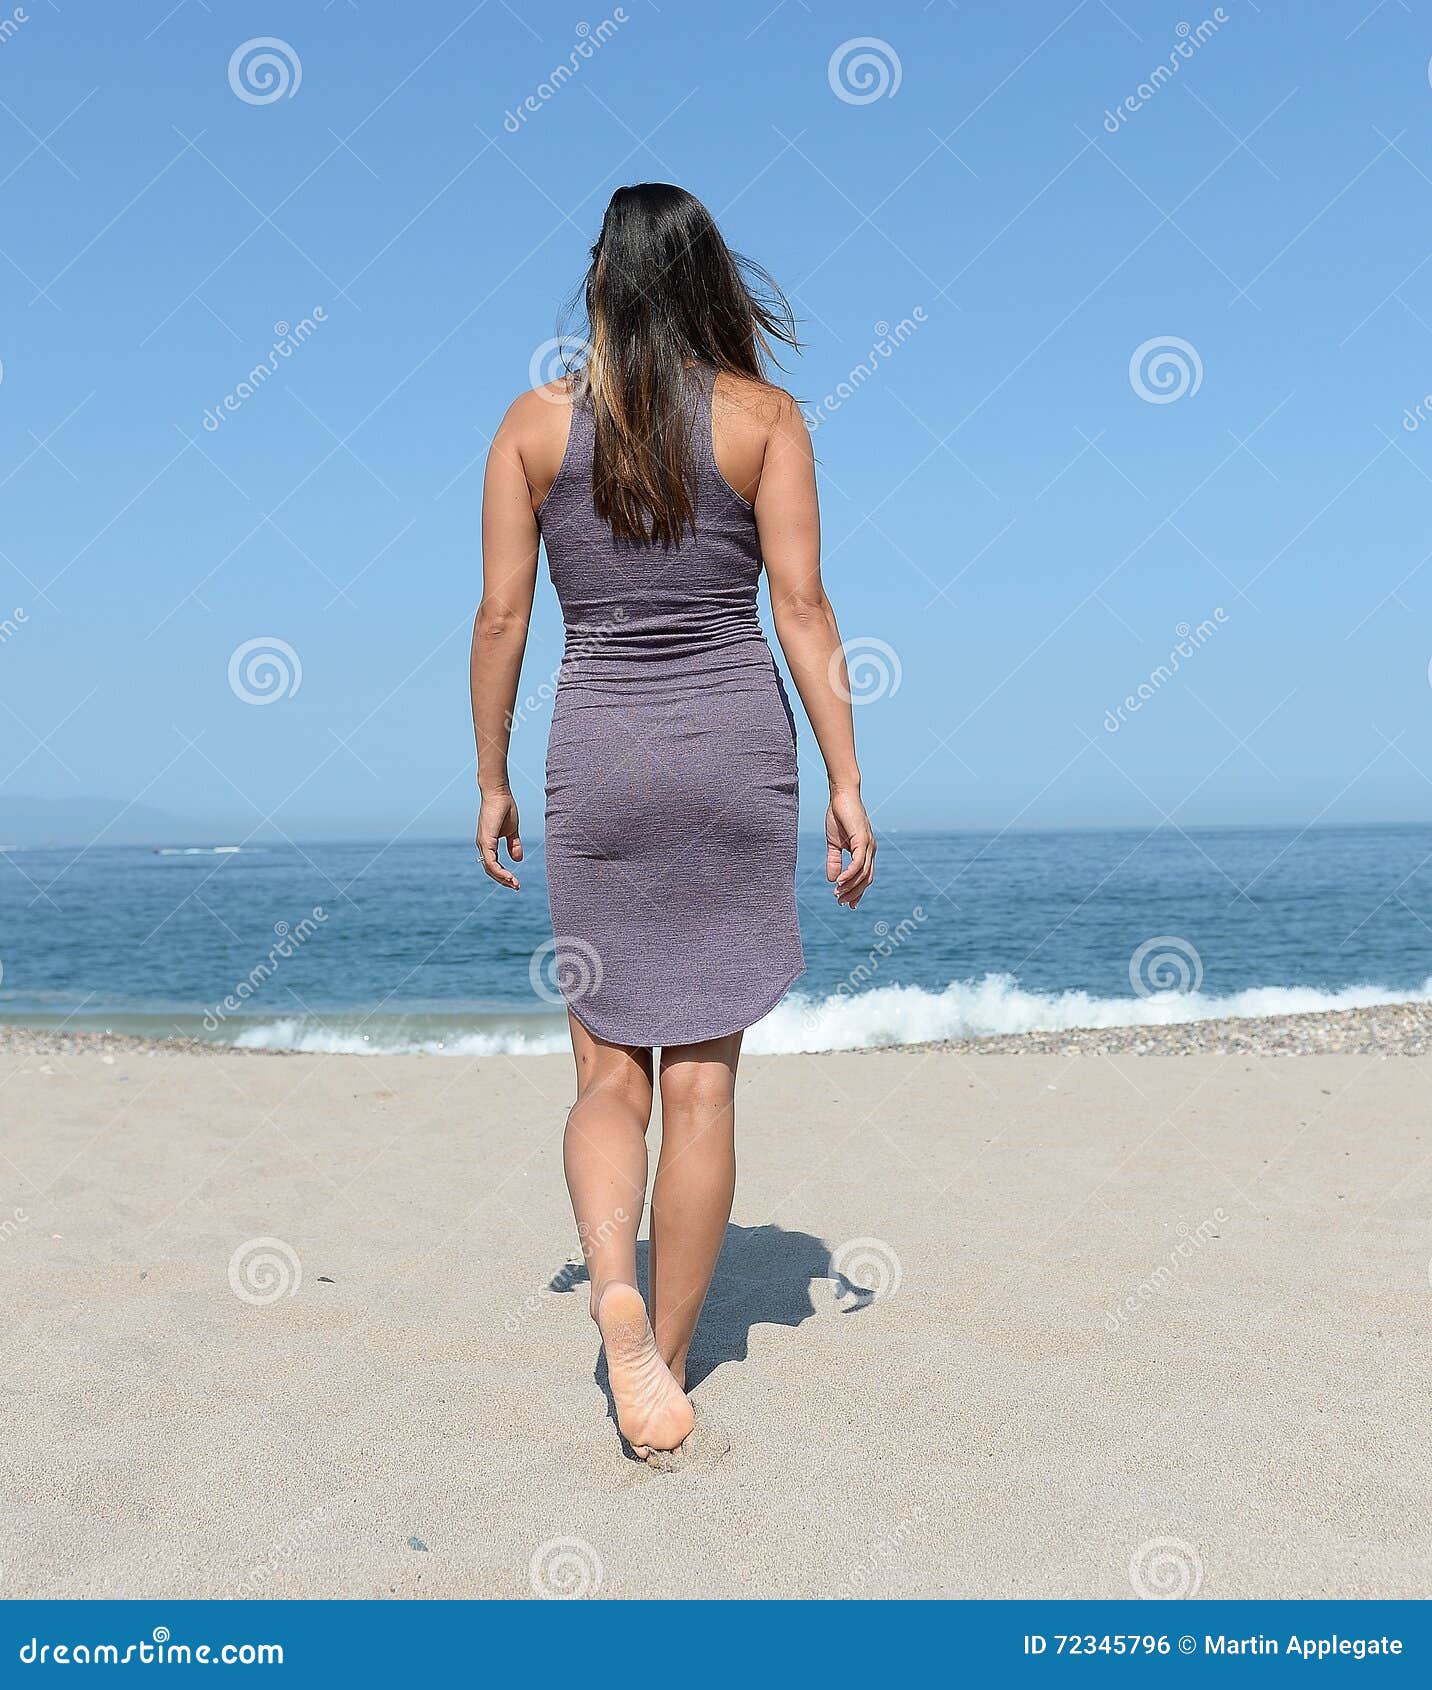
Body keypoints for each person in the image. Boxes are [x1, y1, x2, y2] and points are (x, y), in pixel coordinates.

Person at [470, 183, 874, 1461]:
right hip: (731, 758)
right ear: (709, 284)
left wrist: (489, 775)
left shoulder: (533, 428)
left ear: (600, 282)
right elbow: (802, 611)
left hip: (597, 757)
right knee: (701, 1086)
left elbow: (500, 623)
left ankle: (613, 1295)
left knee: (604, 1071)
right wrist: (850, 778)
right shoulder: (764, 422)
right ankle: (669, 1363)